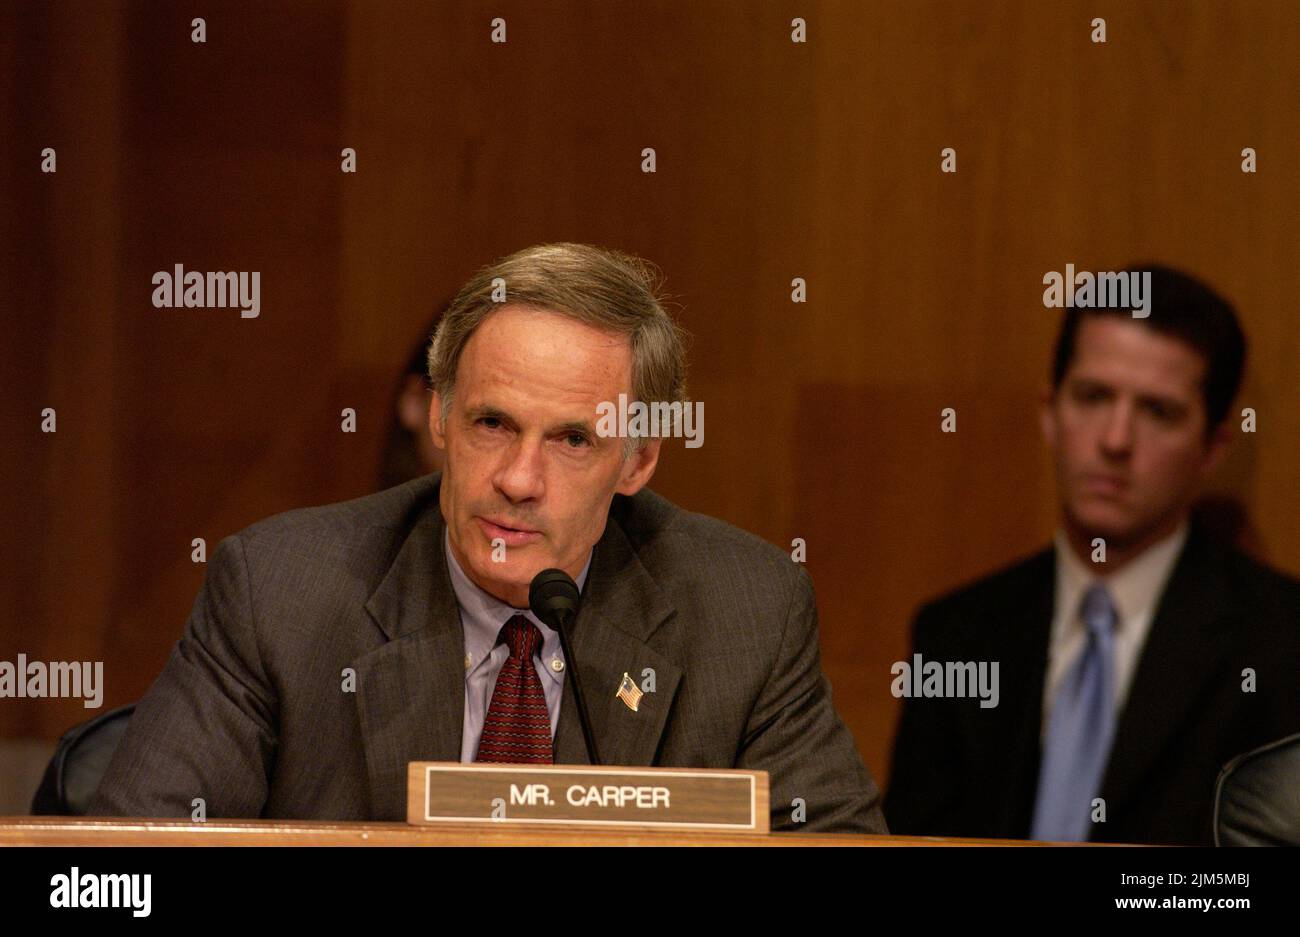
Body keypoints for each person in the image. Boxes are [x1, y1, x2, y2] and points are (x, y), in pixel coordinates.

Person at [90, 242, 886, 834]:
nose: (517, 478)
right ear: (438, 416)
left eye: (573, 439)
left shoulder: (744, 612)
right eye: (492, 422)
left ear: (638, 459)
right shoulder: (280, 591)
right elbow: (118, 876)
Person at [885, 265, 1300, 844]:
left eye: (1158, 411)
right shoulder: (957, 634)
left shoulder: (1283, 645)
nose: (1115, 440)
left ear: (1212, 449)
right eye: (1093, 396)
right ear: (1050, 414)